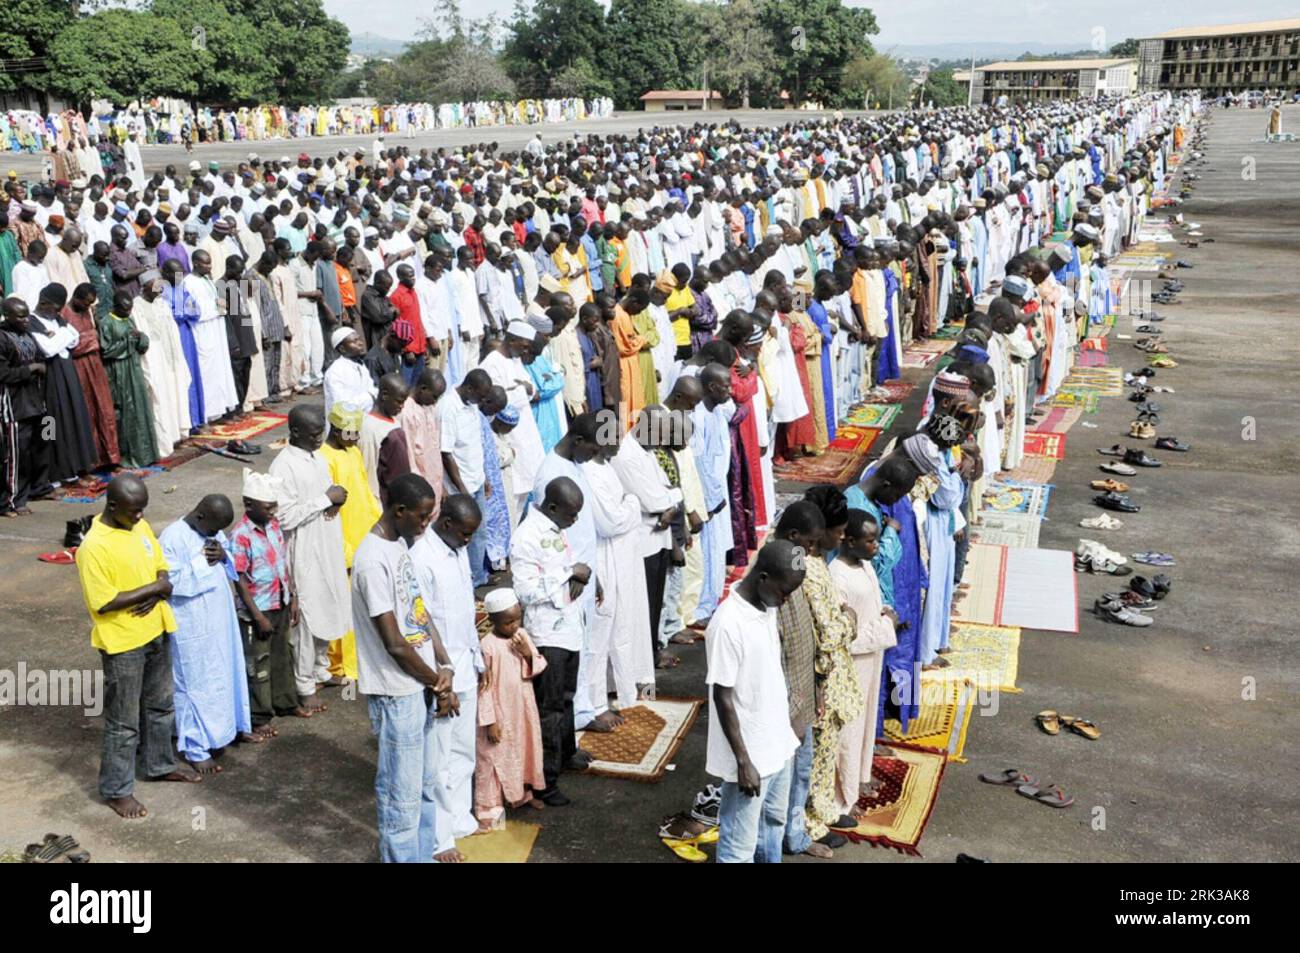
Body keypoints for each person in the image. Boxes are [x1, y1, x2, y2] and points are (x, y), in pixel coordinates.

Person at [75, 474, 200, 819]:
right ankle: (117, 789)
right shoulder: (93, 547)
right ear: (112, 506)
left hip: (157, 630)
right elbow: (104, 601)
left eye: (143, 510)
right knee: (123, 721)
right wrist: (153, 590)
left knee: (161, 706)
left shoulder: (137, 525)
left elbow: (161, 566)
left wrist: (159, 584)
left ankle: (159, 765)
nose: (141, 517)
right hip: (124, 644)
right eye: (134, 511)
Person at [350, 471, 456, 863]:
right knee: (401, 799)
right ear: (399, 511)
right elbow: (394, 642)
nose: (427, 524)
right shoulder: (371, 561)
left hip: (422, 684)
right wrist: (437, 682)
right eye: (423, 516)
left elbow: (418, 612)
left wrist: (443, 663)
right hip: (398, 692)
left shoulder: (399, 545)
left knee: (426, 787)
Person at [706, 539, 804, 863]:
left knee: (773, 826)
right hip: (751, 760)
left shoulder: (766, 606)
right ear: (763, 578)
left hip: (778, 747)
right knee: (738, 848)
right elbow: (723, 696)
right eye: (785, 592)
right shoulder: (727, 624)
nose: (787, 601)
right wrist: (743, 761)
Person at [510, 475, 593, 806]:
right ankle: (546, 780)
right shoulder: (526, 537)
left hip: (569, 628)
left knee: (567, 698)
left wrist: (579, 577)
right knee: (550, 707)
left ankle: (566, 753)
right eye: (571, 515)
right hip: (547, 634)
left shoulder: (556, 528)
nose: (575, 521)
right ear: (554, 507)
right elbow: (525, 591)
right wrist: (569, 573)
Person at [410, 493, 483, 863]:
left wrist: (478, 659)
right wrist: (441, 680)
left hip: (466, 665)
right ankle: (439, 838)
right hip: (441, 674)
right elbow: (421, 625)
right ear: (447, 522)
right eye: (466, 534)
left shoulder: (458, 549)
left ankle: (458, 818)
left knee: (463, 751)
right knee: (436, 761)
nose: (470, 541)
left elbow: (466, 609)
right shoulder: (422, 558)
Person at [159, 494, 253, 772]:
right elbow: (170, 583)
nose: (216, 535)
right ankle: (195, 747)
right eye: (213, 529)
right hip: (192, 626)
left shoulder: (211, 531)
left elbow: (231, 565)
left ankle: (223, 731)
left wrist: (224, 556)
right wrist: (203, 562)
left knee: (223, 676)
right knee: (194, 684)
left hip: (220, 622)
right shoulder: (172, 537)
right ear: (200, 516)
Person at [268, 404, 351, 715]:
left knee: (329, 605)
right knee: (307, 618)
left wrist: (334, 500)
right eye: (314, 434)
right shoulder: (282, 467)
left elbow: (326, 494)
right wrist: (324, 500)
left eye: (322, 433)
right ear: (295, 433)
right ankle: (303, 686)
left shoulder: (317, 457)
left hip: (326, 543)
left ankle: (319, 669)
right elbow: (284, 517)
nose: (320, 439)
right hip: (302, 550)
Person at [829, 509, 897, 812]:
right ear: (849, 540)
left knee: (865, 725)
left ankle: (856, 782)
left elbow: (870, 603)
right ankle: (840, 799)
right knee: (848, 731)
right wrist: (886, 627)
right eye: (870, 541)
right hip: (852, 666)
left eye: (877, 540)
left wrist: (884, 613)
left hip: (871, 662)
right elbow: (846, 636)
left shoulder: (865, 565)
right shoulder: (837, 576)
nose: (876, 547)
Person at [229, 468, 304, 734]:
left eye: (274, 506)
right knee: (258, 662)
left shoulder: (273, 527)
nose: (273, 511)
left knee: (282, 654)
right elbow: (238, 579)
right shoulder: (240, 535)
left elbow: (283, 564)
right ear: (249, 504)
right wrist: (257, 616)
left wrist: (292, 597)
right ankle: (259, 716)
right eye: (268, 506)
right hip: (257, 610)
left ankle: (285, 702)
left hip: (280, 602)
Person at [474, 587, 547, 832]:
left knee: (524, 750)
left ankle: (521, 794)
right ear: (492, 621)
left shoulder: (522, 636)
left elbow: (537, 665)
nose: (514, 626)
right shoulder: (488, 646)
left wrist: (526, 653)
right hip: (500, 711)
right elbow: (483, 689)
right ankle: (488, 810)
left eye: (517, 619)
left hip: (523, 707)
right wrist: (490, 721)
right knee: (493, 758)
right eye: (508, 622)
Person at [0, 297, 50, 516]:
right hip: (13, 405)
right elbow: (4, 374)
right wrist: (31, 369)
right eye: (20, 316)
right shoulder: (2, 338)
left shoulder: (27, 335)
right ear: (7, 316)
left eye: (27, 315)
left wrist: (38, 367)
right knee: (14, 455)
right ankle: (7, 502)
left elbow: (41, 358)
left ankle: (25, 496)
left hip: (34, 402)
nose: (26, 320)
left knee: (35, 449)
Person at [99, 291, 157, 468]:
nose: (128, 312)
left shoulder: (129, 319)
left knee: (140, 409)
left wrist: (140, 338)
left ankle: (146, 453)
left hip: (134, 368)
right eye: (125, 309)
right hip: (119, 372)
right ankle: (127, 457)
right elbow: (106, 350)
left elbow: (140, 345)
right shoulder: (106, 323)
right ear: (116, 307)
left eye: (130, 309)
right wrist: (126, 341)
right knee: (125, 414)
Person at [399, 367, 446, 517]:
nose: (436, 401)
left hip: (435, 485)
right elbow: (410, 457)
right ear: (423, 388)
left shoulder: (429, 407)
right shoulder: (407, 412)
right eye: (434, 396)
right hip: (421, 492)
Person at [323, 325, 377, 418]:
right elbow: (343, 408)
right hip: (344, 427)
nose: (360, 343)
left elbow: (372, 389)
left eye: (359, 339)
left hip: (363, 420)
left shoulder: (361, 365)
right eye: (354, 341)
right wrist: (370, 397)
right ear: (342, 348)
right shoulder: (335, 372)